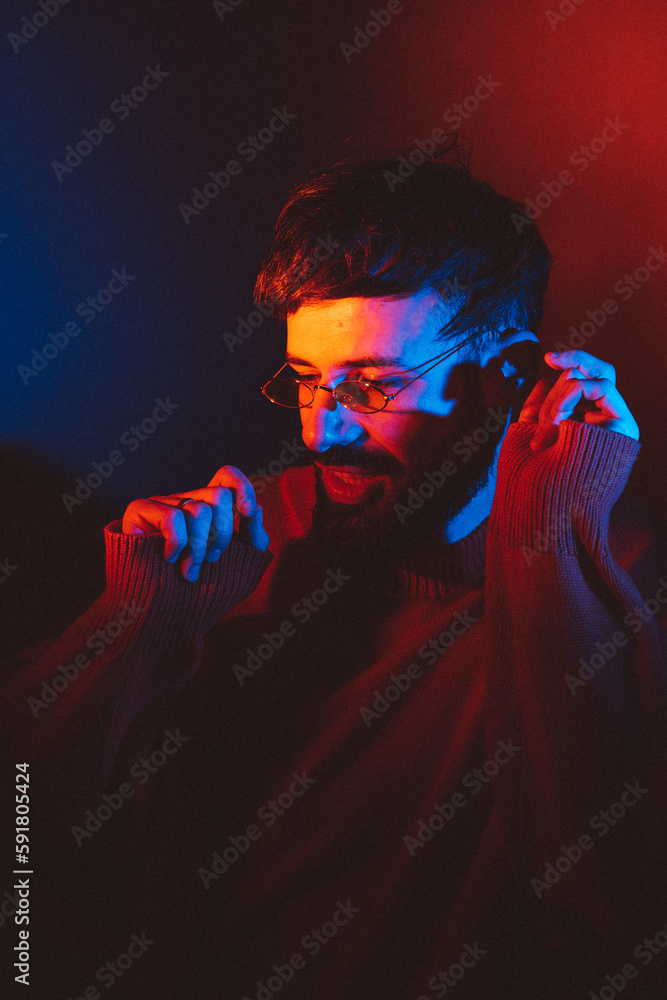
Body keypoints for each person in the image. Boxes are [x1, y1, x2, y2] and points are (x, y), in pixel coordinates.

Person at [6, 147, 667, 999]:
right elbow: (22, 836)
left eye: (370, 388)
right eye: (308, 383)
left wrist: (549, 535)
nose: (321, 435)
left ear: (508, 375)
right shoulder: (247, 538)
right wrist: (136, 630)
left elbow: (609, 911)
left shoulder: (618, 576)